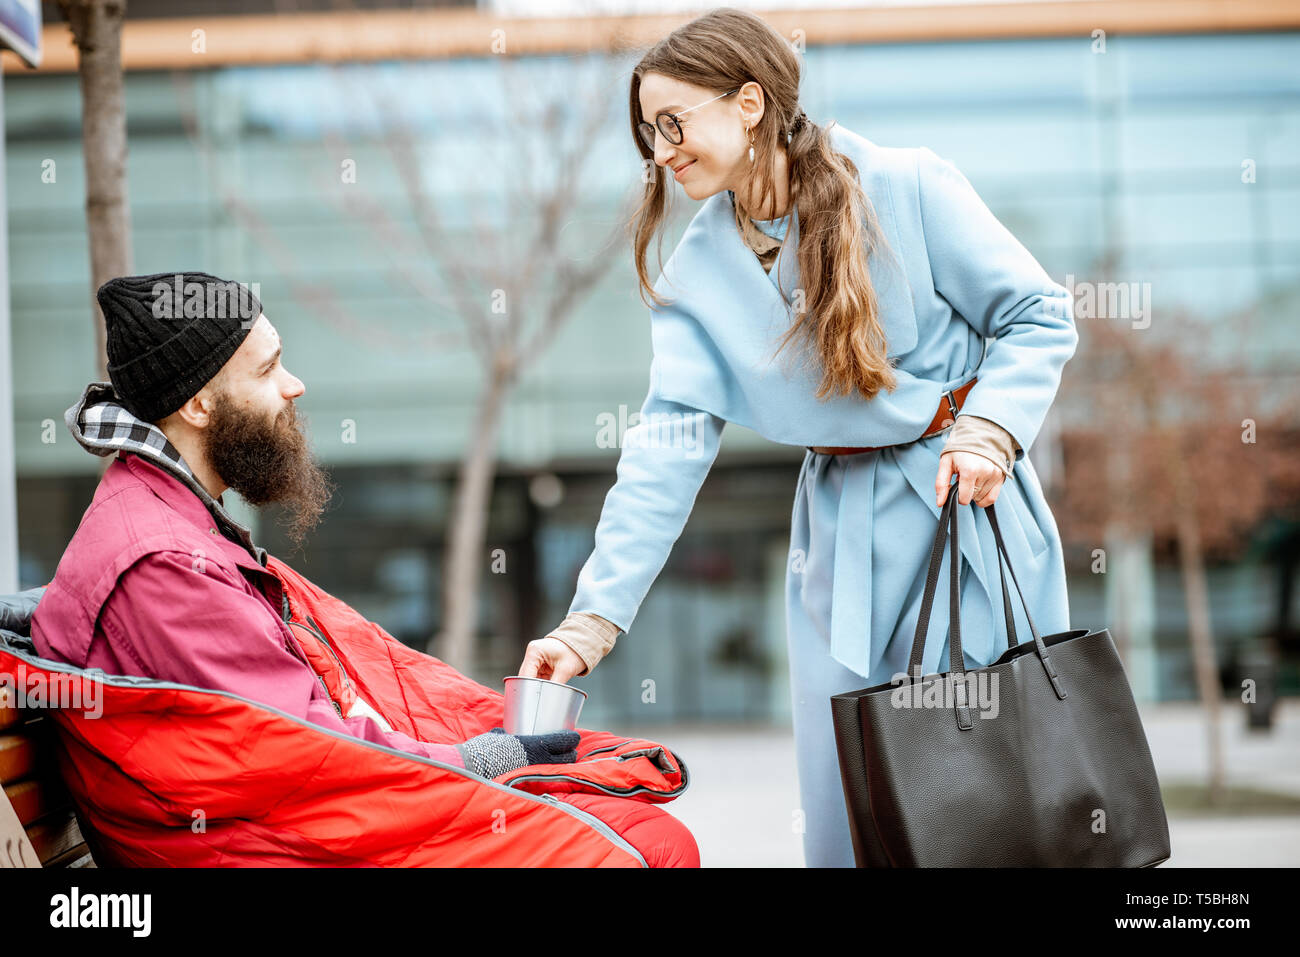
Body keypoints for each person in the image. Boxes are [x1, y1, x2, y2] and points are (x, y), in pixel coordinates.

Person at [518, 8, 1077, 867]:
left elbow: (1037, 314)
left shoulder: (908, 184)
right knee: (855, 816)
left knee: (997, 799)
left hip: (967, 508)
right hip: (838, 553)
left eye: (674, 122)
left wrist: (991, 430)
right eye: (647, 134)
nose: (661, 150)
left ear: (750, 104)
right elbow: (664, 452)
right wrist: (590, 623)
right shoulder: (693, 278)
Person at [30, 272, 579, 782]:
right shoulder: (163, 561)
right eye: (268, 369)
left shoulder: (170, 519)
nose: (295, 386)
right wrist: (479, 759)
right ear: (198, 405)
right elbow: (305, 747)